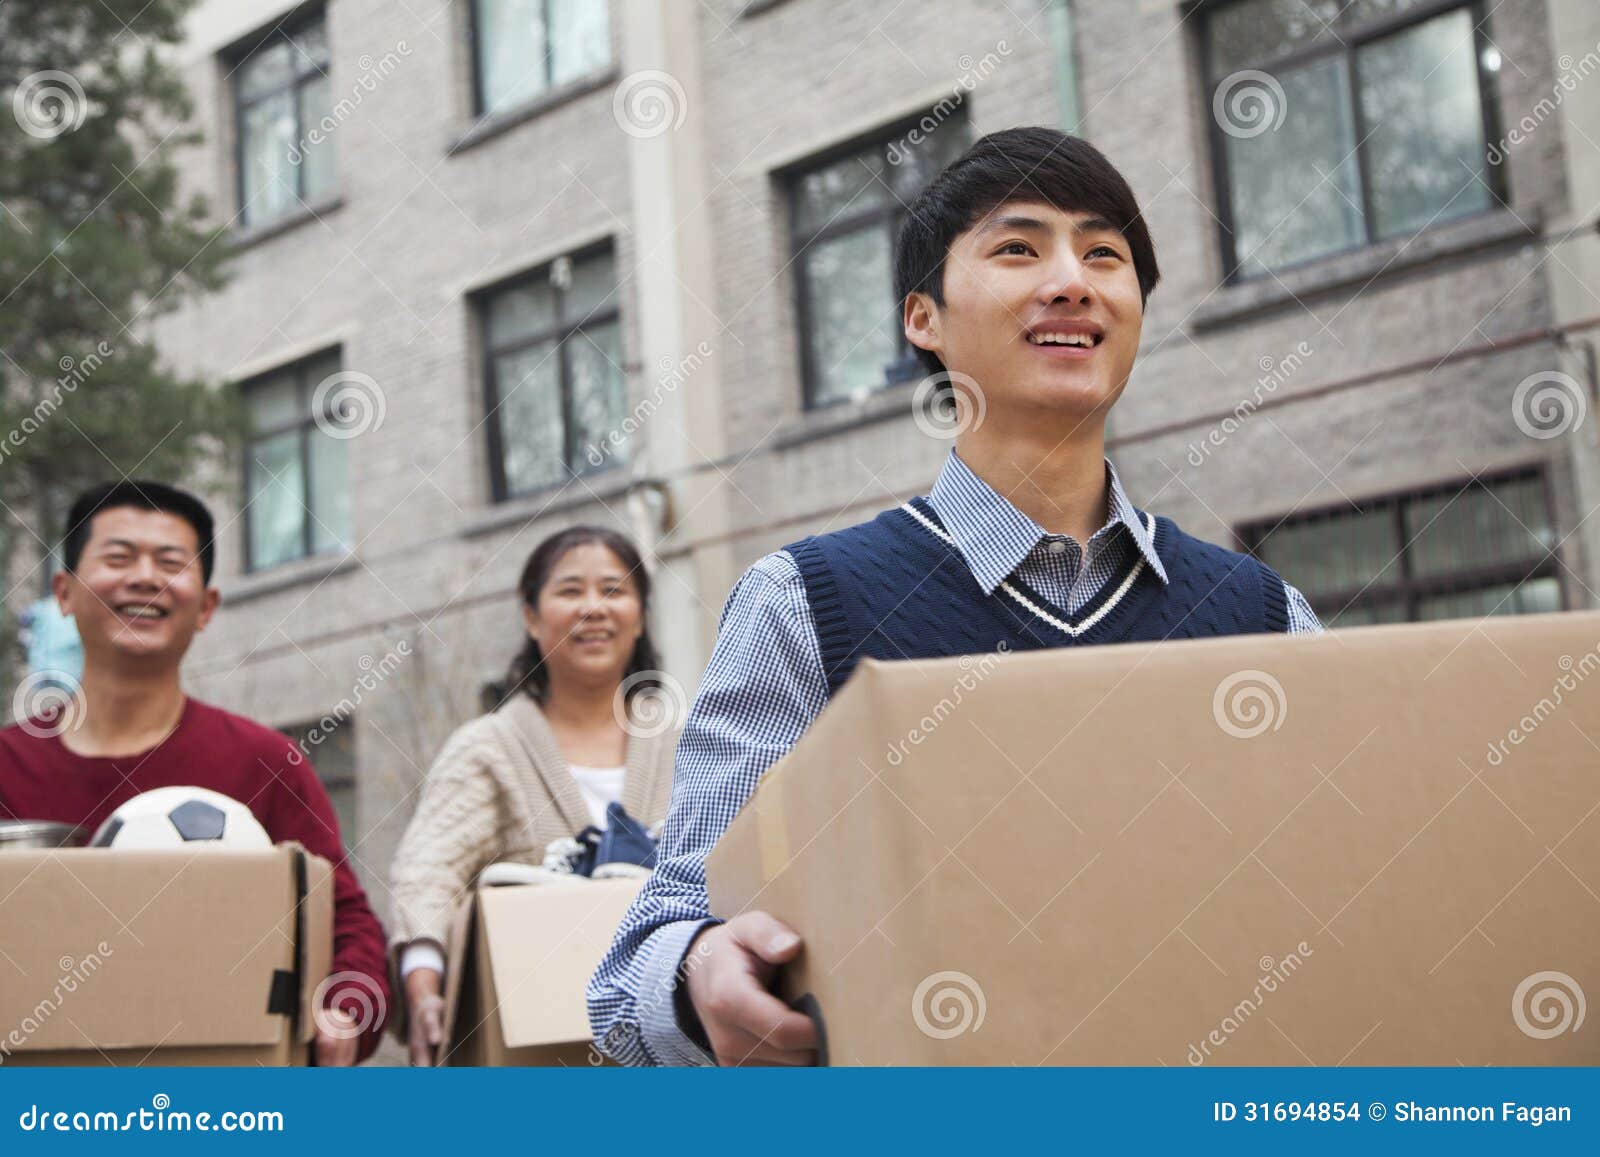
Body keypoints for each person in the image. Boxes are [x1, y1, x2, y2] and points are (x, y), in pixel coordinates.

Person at [588, 127, 1326, 1067]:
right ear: (922, 318)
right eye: (1019, 248)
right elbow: (640, 966)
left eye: (1106, 254)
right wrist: (699, 974)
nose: (1073, 280)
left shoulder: (1264, 617)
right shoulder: (806, 606)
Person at [0, 480, 391, 1064]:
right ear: (64, 592)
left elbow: (346, 921)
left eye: (169, 562)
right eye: (118, 557)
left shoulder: (264, 762)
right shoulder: (9, 764)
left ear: (206, 607)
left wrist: (345, 1007)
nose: (143, 577)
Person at [388, 526, 677, 1066]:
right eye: (570, 591)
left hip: (673, 1034)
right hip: (530, 1045)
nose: (594, 607)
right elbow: (428, 871)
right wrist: (424, 983)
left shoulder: (691, 742)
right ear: (530, 615)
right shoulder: (488, 747)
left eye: (614, 590)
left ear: (640, 613)